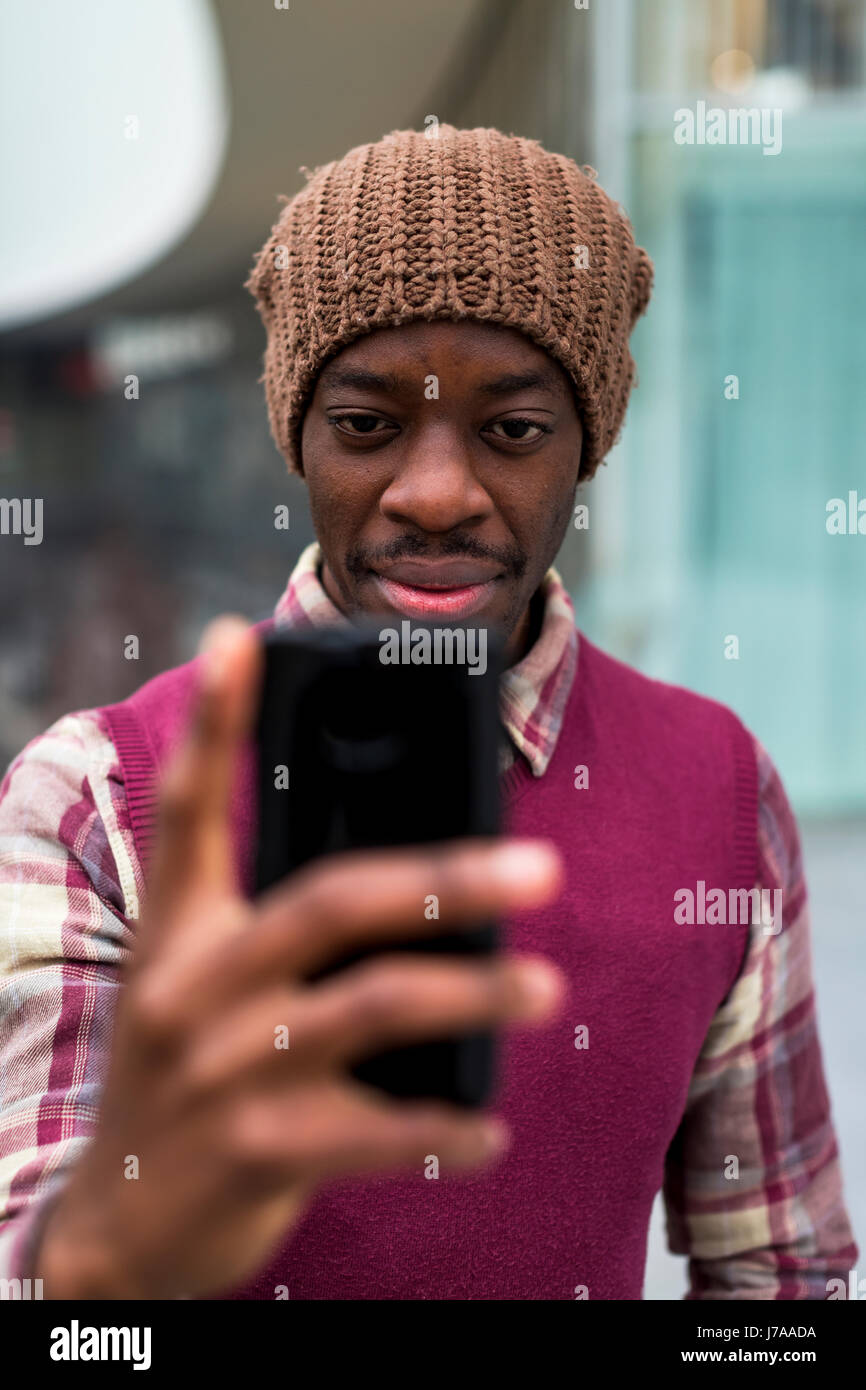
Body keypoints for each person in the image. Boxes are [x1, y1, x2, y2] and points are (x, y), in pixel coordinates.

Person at [0, 126, 857, 1300]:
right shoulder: (95, 795)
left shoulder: (718, 787)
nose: (438, 493)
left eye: (511, 429)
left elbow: (779, 1275)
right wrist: (124, 1239)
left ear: (587, 446)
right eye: (366, 425)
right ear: (295, 436)